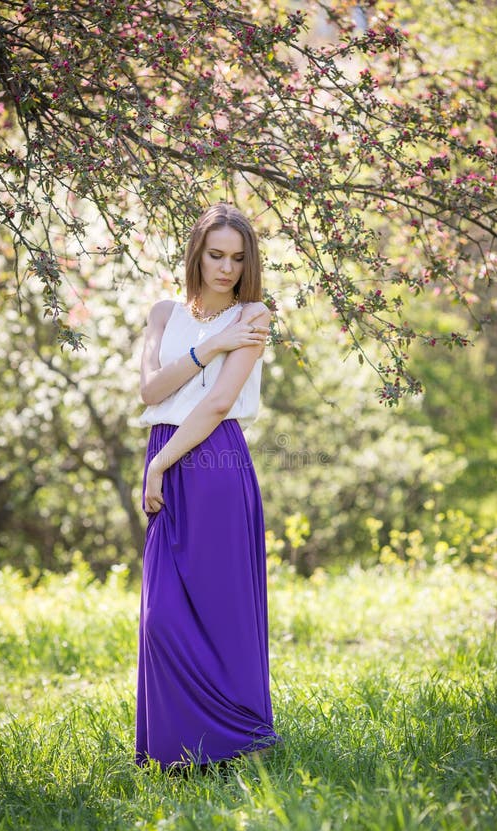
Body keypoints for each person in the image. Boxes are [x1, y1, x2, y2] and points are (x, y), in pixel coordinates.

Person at [135, 203, 281, 771]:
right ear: (196, 254)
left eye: (238, 258)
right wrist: (212, 345)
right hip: (167, 451)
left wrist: (159, 464)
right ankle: (177, 747)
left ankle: (235, 740)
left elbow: (219, 402)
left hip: (214, 459)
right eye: (216, 255)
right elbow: (151, 390)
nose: (226, 268)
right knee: (161, 615)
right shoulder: (163, 313)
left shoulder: (253, 315)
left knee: (222, 606)